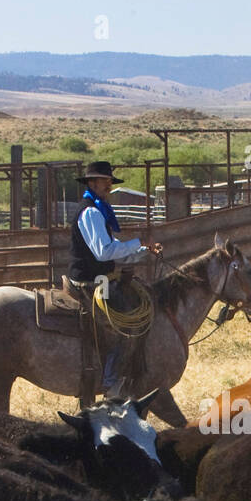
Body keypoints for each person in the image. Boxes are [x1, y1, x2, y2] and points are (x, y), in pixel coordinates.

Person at [66, 160, 163, 402]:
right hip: (91, 281)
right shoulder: (90, 212)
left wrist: (143, 250)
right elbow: (103, 252)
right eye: (104, 180)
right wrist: (138, 244)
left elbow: (112, 248)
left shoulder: (98, 209)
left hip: (99, 277)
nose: (109, 185)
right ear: (92, 182)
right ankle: (110, 381)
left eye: (110, 181)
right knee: (128, 325)